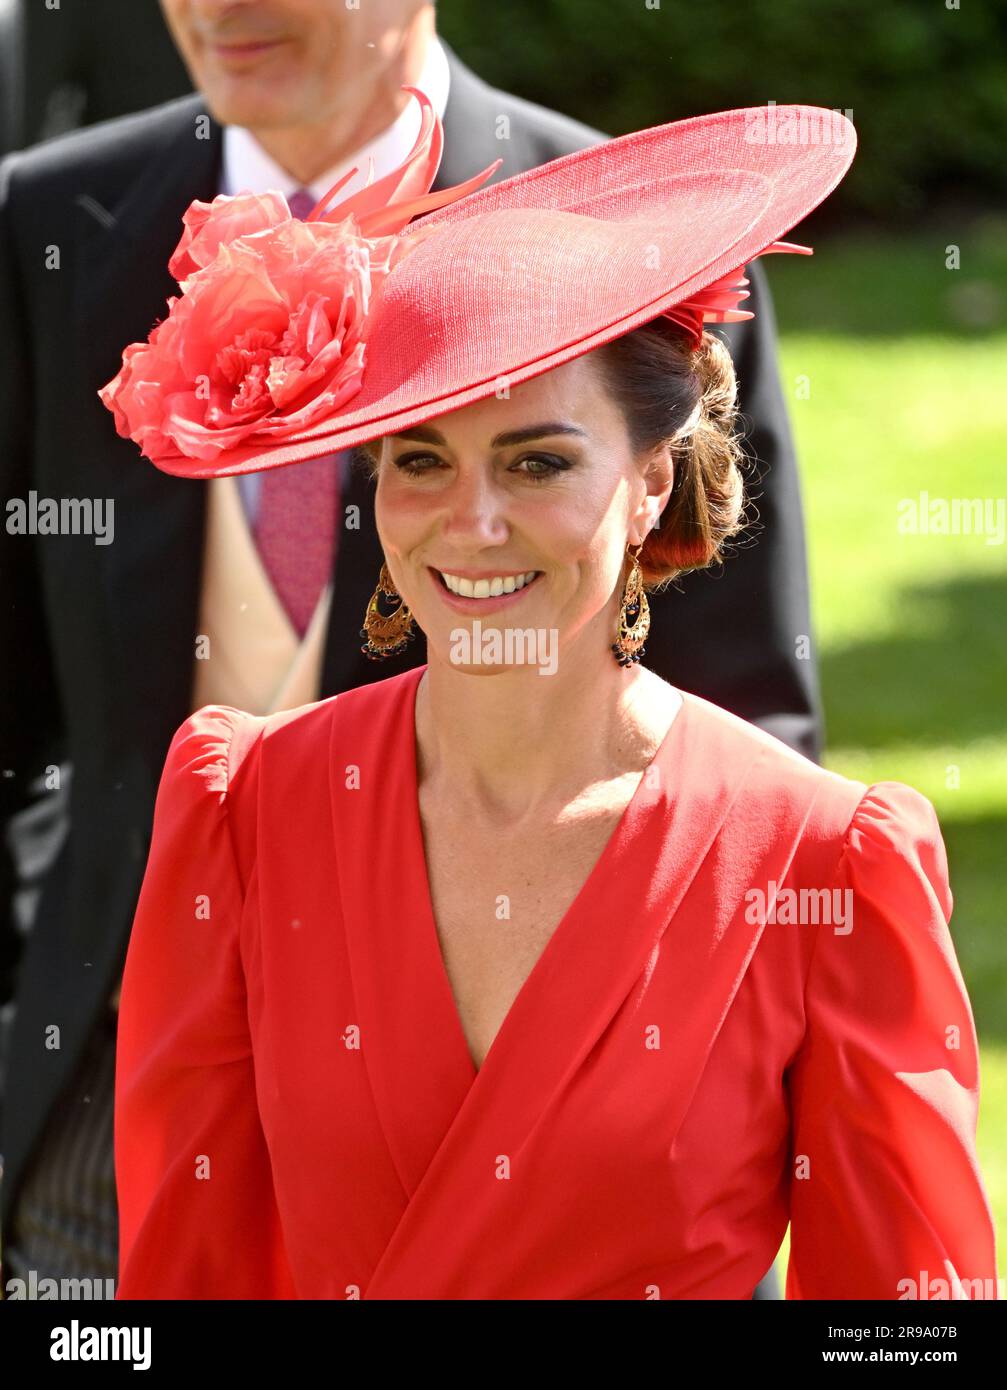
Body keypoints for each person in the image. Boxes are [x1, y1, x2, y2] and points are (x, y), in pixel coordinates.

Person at [103, 93, 997, 1299]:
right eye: (421, 460)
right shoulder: (242, 810)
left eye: (537, 462)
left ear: (646, 484)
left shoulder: (820, 862)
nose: (471, 524)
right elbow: (184, 1280)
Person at [0, 2, 812, 1296]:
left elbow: (742, 704)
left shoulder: (633, 238)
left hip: (547, 1095)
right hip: (114, 1075)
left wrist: (658, 1086)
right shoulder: (45, 217)